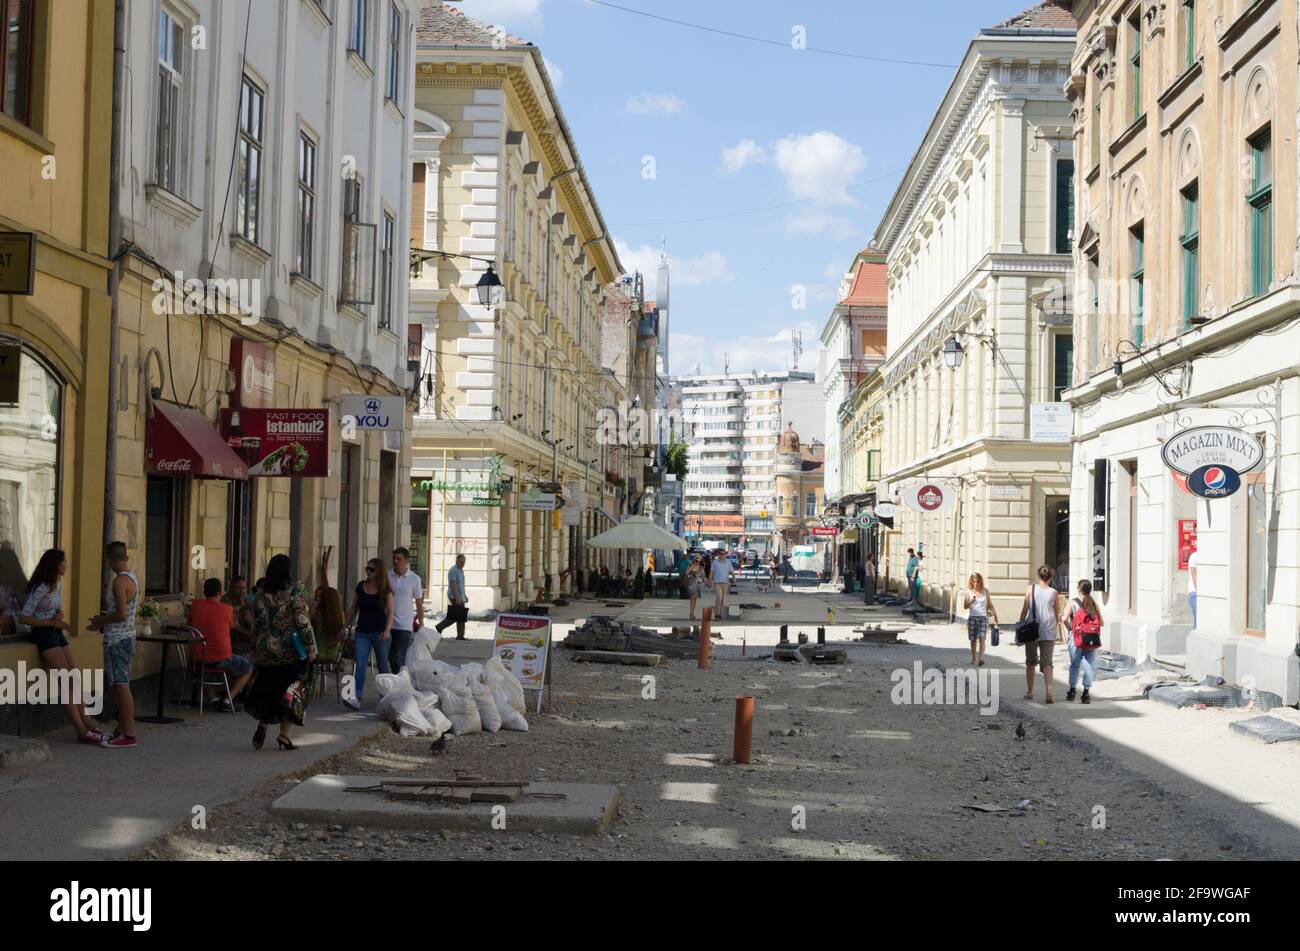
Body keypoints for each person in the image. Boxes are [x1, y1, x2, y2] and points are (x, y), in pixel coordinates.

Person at [19, 549, 105, 744]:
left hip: (56, 633)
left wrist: (59, 616)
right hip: (43, 634)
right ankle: (81, 730)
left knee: (74, 676)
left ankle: (88, 722)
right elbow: (24, 617)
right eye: (64, 562)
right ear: (55, 565)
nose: (66, 565)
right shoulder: (40, 587)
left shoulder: (57, 583)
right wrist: (51, 623)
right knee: (65, 680)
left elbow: (58, 608)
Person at [248, 554, 317, 748]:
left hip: (267, 653)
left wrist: (255, 647)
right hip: (291, 654)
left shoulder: (260, 595)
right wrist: (311, 648)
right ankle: (285, 735)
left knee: (269, 691)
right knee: (291, 693)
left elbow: (257, 625)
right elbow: (303, 623)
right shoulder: (294, 594)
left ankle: (263, 725)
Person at [86, 542, 140, 747]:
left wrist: (100, 621)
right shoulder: (133, 579)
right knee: (120, 686)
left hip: (117, 640)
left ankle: (128, 735)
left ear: (110, 560)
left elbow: (121, 614)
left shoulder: (119, 582)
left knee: (121, 686)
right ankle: (121, 729)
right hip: (126, 637)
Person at [188, 577, 252, 711]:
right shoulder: (227, 609)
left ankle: (213, 698)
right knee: (248, 668)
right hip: (220, 658)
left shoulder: (195, 605)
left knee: (207, 667)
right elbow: (232, 628)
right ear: (220, 593)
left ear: (204, 592)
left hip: (196, 658)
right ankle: (228, 700)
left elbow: (190, 624)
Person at [344, 558, 393, 710]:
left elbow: (391, 611)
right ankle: (356, 697)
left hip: (380, 633)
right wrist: (344, 627)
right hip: (362, 632)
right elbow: (353, 608)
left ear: (379, 571)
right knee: (360, 664)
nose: (368, 571)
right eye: (367, 568)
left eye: (371, 569)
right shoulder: (361, 586)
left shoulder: (386, 589)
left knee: (383, 665)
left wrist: (387, 630)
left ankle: (386, 697)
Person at [1018, 565, 1063, 703]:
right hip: (1048, 630)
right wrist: (1055, 628)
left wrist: (1020, 626)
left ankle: (1030, 692)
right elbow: (1056, 614)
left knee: (1031, 662)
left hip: (1032, 629)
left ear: (1038, 576)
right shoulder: (1054, 593)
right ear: (1051, 578)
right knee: (1047, 663)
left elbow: (1025, 609)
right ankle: (1049, 693)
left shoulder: (1030, 589)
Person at [1064, 579, 1104, 703]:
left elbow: (1065, 618)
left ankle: (1072, 691)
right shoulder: (1093, 604)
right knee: (1089, 666)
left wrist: (1070, 628)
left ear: (1079, 589)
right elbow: (1101, 623)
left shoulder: (1073, 603)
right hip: (1091, 640)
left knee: (1075, 665)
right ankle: (1086, 693)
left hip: (1076, 639)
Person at [388, 547, 424, 672]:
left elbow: (419, 603)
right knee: (390, 657)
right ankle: (395, 682)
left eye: (399, 559)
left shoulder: (415, 579)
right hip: (388, 624)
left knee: (399, 657)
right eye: (394, 559)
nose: (395, 561)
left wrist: (421, 622)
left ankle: (399, 685)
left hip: (404, 625)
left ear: (407, 561)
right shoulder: (387, 576)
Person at [963, 572, 999, 667]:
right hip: (972, 618)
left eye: (977, 581)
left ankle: (981, 659)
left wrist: (995, 614)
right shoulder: (968, 592)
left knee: (982, 638)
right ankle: (974, 658)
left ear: (980, 581)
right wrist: (971, 601)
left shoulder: (985, 591)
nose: (975, 583)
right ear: (971, 582)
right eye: (974, 581)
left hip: (983, 618)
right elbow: (965, 606)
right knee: (973, 640)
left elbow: (990, 604)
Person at [435, 553, 469, 640]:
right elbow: (453, 584)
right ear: (457, 561)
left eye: (464, 562)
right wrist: (457, 597)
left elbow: (461, 584)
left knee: (460, 615)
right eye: (461, 562)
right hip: (454, 596)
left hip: (460, 596)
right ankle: (440, 627)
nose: (463, 564)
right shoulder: (453, 570)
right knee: (456, 616)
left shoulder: (461, 570)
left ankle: (460, 635)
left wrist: (464, 595)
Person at [223, 575, 255, 655]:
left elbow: (250, 608)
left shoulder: (243, 598)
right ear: (231, 588)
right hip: (231, 634)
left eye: (243, 588)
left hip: (241, 633)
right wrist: (243, 607)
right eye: (239, 588)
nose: (242, 591)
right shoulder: (225, 599)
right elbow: (231, 612)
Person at [709, 548, 733, 617]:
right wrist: (710, 581)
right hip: (717, 582)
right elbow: (711, 572)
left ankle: (720, 612)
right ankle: (717, 613)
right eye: (721, 554)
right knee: (719, 597)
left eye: (724, 554)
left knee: (723, 599)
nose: (722, 555)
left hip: (725, 583)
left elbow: (731, 571)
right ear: (719, 555)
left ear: (725, 555)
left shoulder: (728, 562)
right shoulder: (715, 562)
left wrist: (734, 578)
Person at [684, 555, 706, 620]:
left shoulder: (701, 567)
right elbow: (686, 573)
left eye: (699, 561)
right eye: (697, 561)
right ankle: (691, 613)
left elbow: (703, 576)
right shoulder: (691, 565)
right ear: (694, 560)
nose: (698, 562)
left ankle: (692, 612)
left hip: (697, 585)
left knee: (695, 599)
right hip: (691, 584)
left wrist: (706, 582)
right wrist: (692, 566)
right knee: (692, 597)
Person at [1187, 547, 1198, 629]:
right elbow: (1194, 575)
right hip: (1194, 593)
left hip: (1199, 594)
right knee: (1197, 622)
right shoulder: (1194, 556)